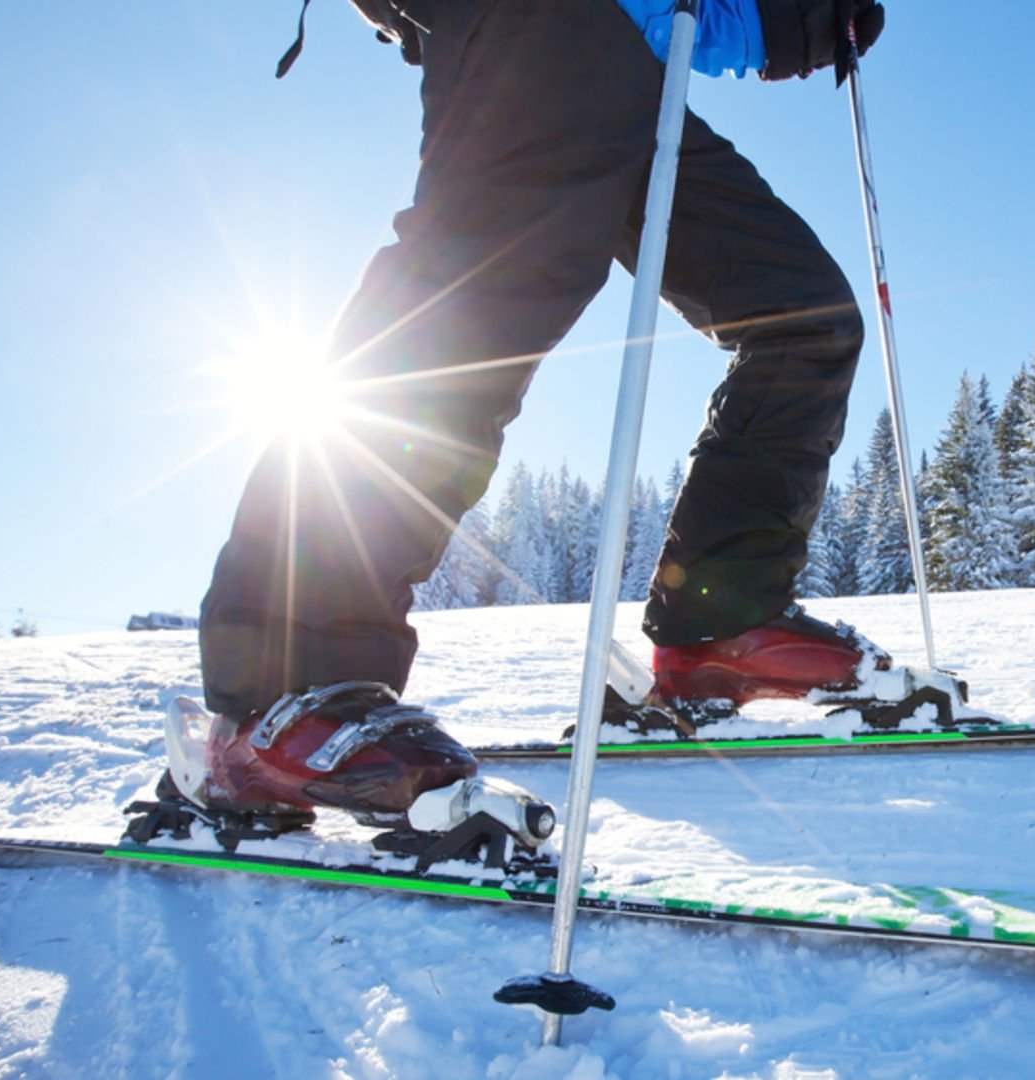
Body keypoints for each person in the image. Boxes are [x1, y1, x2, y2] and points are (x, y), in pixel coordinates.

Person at [163, 0, 892, 835]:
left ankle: (718, 626)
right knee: (465, 319)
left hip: (637, 63)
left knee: (802, 318)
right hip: (531, 26)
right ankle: (279, 696)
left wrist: (791, 19)